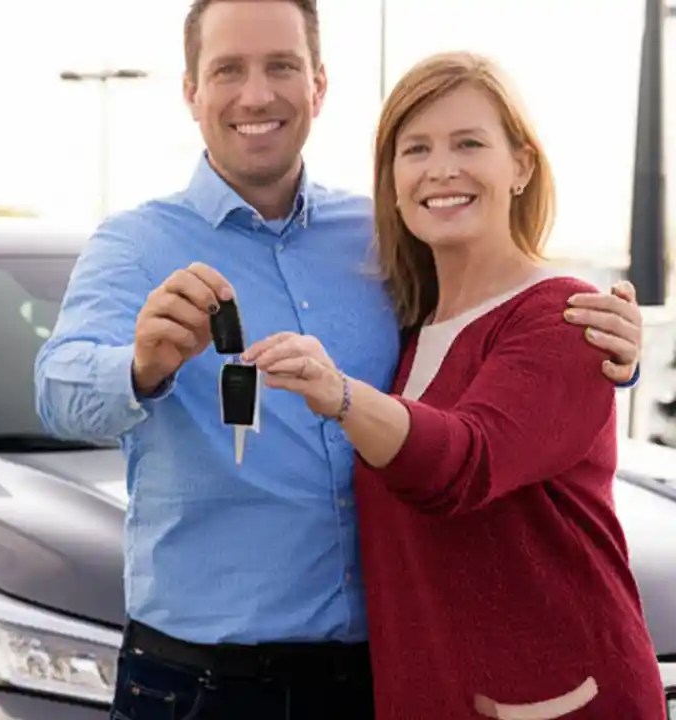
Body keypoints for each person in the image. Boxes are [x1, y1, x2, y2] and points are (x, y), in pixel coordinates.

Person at [33, 1, 647, 718]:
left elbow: (488, 343)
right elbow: (57, 394)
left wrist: (605, 348)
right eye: (228, 69)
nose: (256, 94)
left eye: (282, 67)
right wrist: (140, 367)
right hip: (202, 686)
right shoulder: (135, 244)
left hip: (376, 679)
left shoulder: (385, 239)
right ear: (191, 91)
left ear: (319, 86)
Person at [246, 51, 667, 719]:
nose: (441, 169)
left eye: (469, 143)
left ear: (521, 166)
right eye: (415, 149)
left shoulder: (565, 317)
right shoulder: (410, 331)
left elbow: (464, 463)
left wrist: (342, 397)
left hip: (562, 702)